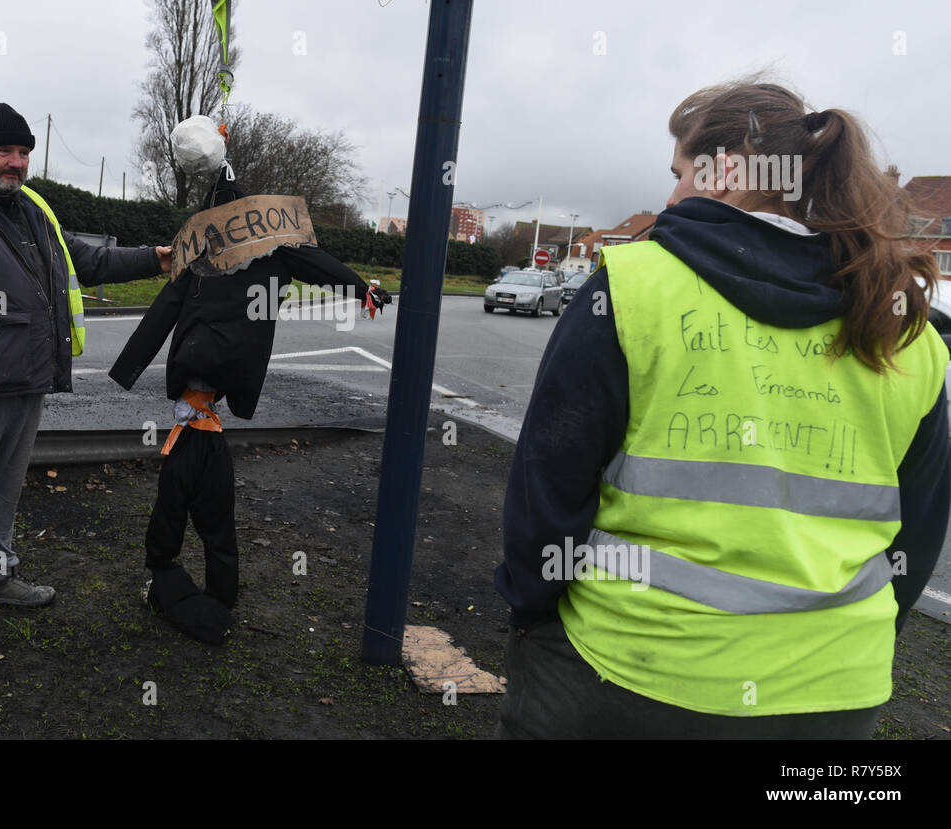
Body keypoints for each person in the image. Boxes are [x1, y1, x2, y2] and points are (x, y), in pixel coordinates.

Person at [494, 79, 950, 738]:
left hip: (628, 675)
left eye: (680, 173)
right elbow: (919, 532)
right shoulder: (904, 328)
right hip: (833, 693)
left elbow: (546, 500)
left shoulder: (633, 286)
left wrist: (532, 615)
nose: (672, 194)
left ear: (730, 165)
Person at [0, 102, 172, 653]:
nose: (16, 162)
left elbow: (85, 261)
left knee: (3, 491)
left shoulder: (31, 206)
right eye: (5, 152)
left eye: (23, 153)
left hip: (26, 377)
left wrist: (156, 260)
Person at [110, 162, 390, 642]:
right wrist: (361, 289)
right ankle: (212, 588)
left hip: (198, 373)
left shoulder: (203, 252)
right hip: (217, 378)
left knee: (184, 493)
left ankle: (179, 578)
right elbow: (315, 264)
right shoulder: (269, 249)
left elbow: (164, 311)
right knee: (207, 499)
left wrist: (130, 367)